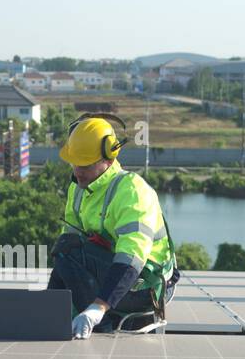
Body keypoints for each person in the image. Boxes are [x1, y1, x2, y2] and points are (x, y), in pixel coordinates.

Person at [48, 113, 178, 339]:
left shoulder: (132, 191)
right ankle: (56, 314)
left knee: (70, 250)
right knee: (66, 247)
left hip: (144, 285)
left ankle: (102, 324)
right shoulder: (78, 188)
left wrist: (97, 308)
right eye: (74, 163)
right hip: (114, 277)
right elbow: (65, 252)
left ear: (108, 158)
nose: (78, 171)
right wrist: (48, 307)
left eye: (85, 165)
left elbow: (131, 258)